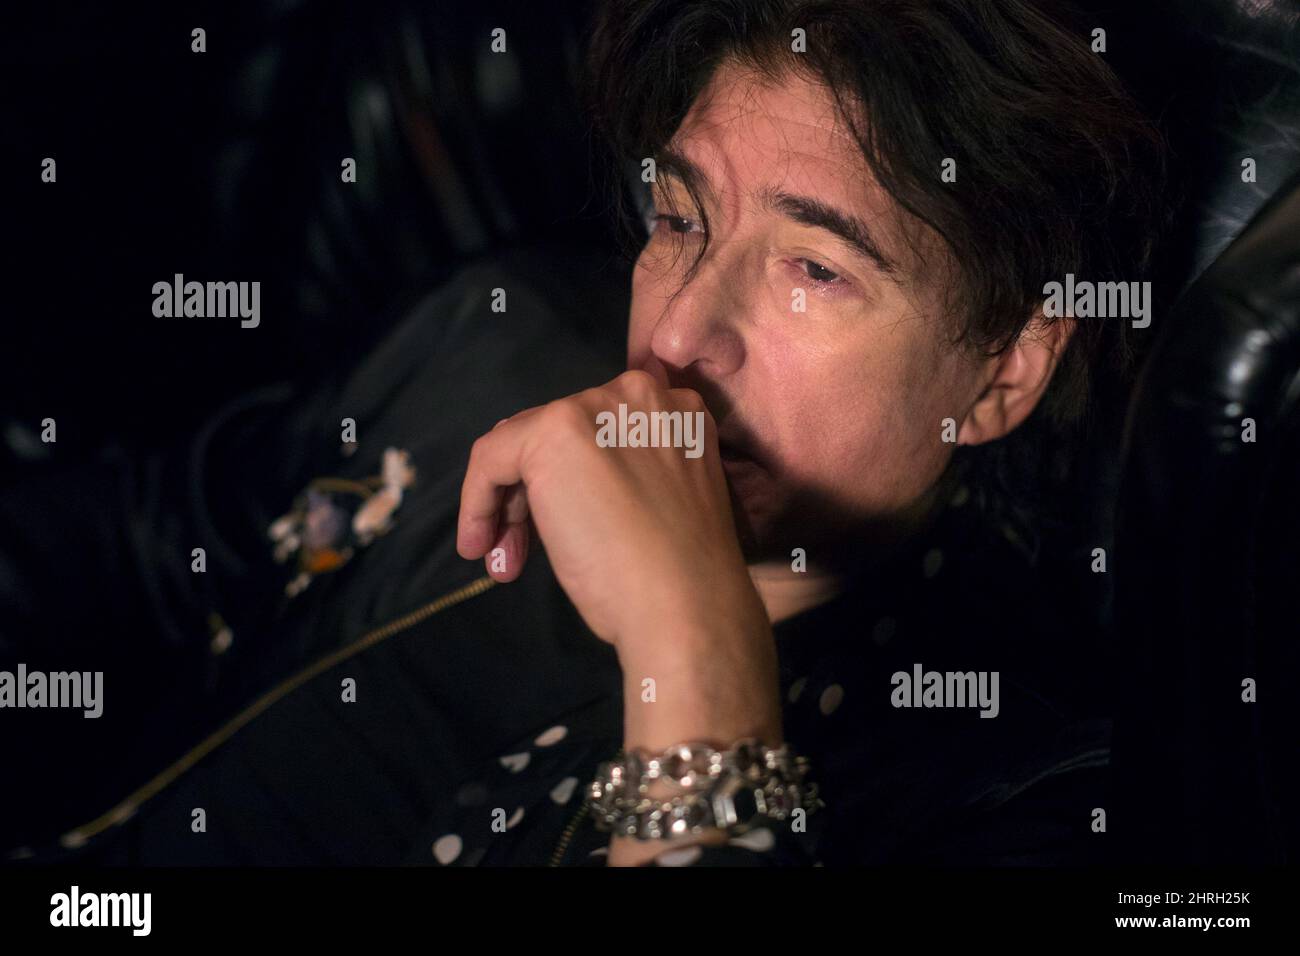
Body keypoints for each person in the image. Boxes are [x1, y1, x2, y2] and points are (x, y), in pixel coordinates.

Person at [1, 0, 1166, 866]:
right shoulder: (500, 349)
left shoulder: (1022, 789)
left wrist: (691, 642)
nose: (678, 331)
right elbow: (142, 539)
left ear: (1008, 363)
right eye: (677, 219)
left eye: (814, 268)